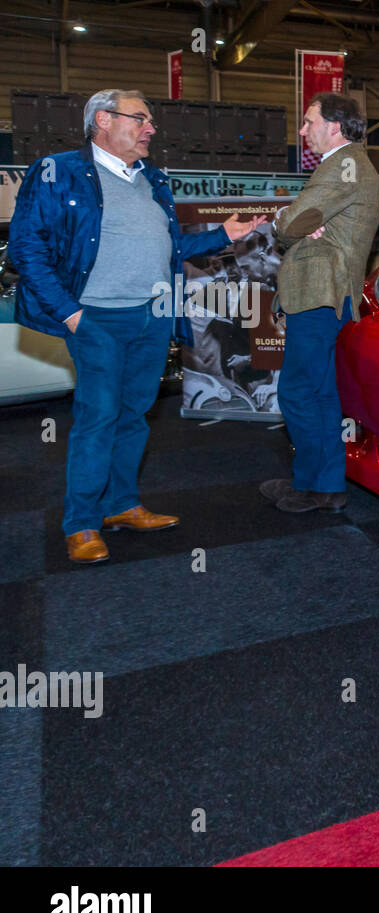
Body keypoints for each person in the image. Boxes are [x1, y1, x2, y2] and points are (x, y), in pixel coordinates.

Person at [8, 88, 264, 564]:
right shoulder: (58, 171)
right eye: (141, 119)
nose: (151, 128)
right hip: (95, 318)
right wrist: (71, 313)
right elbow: (27, 248)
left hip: (152, 317)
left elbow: (169, 249)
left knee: (134, 416)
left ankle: (121, 505)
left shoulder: (153, 178)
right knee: (98, 417)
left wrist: (221, 235)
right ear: (103, 120)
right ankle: (81, 523)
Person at [259, 92, 379, 514]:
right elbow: (303, 222)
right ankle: (322, 483)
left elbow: (293, 221)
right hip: (327, 295)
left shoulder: (343, 165)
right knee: (318, 391)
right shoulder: (348, 166)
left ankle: (315, 484)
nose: (302, 129)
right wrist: (299, 223)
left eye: (308, 120)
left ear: (334, 125)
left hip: (320, 294)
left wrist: (283, 220)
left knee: (299, 392)